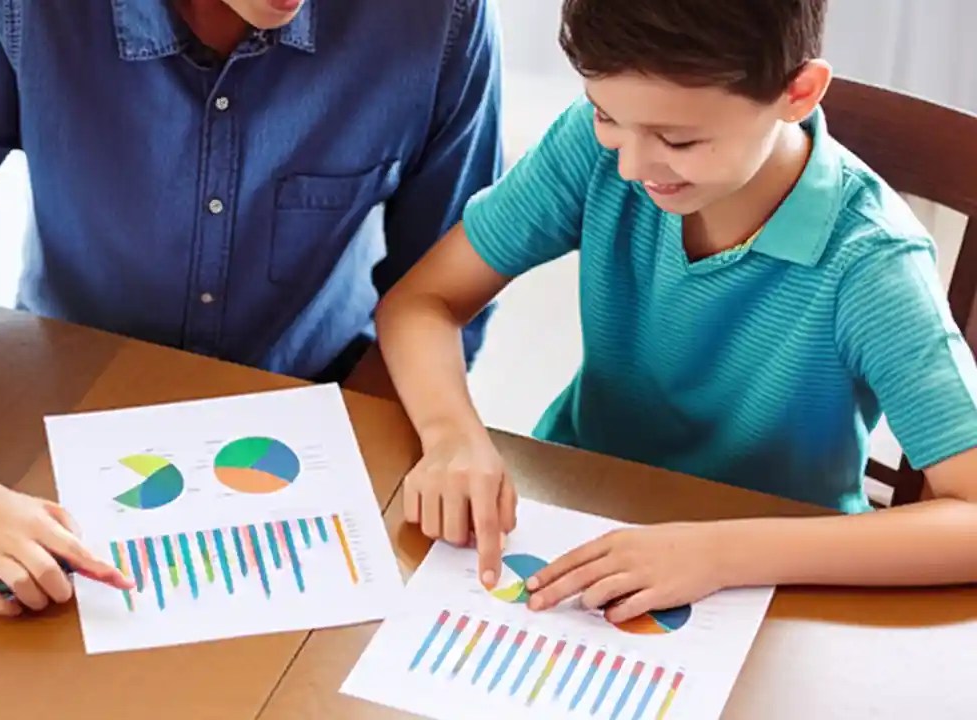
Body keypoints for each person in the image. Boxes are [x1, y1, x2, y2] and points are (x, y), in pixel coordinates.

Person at [0, 0, 502, 615]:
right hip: (61, 435)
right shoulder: (19, 14)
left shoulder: (442, 20)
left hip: (323, 413)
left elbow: (437, 295)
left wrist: (347, 461)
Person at [376, 0, 977, 623]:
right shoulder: (595, 150)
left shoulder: (872, 263)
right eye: (607, 114)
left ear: (798, 94)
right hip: (575, 513)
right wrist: (452, 436)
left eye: (679, 140)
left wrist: (720, 552)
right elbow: (423, 301)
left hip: (774, 584)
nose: (632, 167)